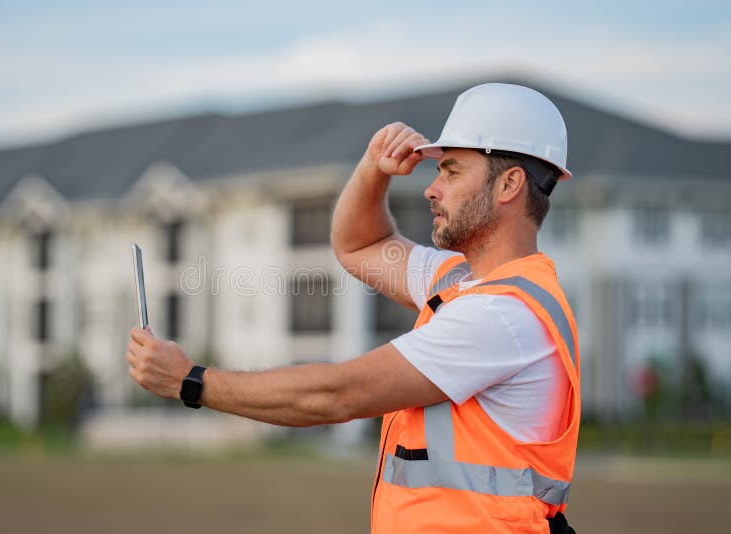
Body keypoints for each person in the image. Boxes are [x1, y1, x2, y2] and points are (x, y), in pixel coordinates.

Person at [126, 83, 580, 533]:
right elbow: (360, 244)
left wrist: (189, 381)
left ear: (510, 184)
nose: (432, 189)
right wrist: (373, 170)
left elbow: (336, 395)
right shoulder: (461, 280)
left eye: (452, 171)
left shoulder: (502, 313)